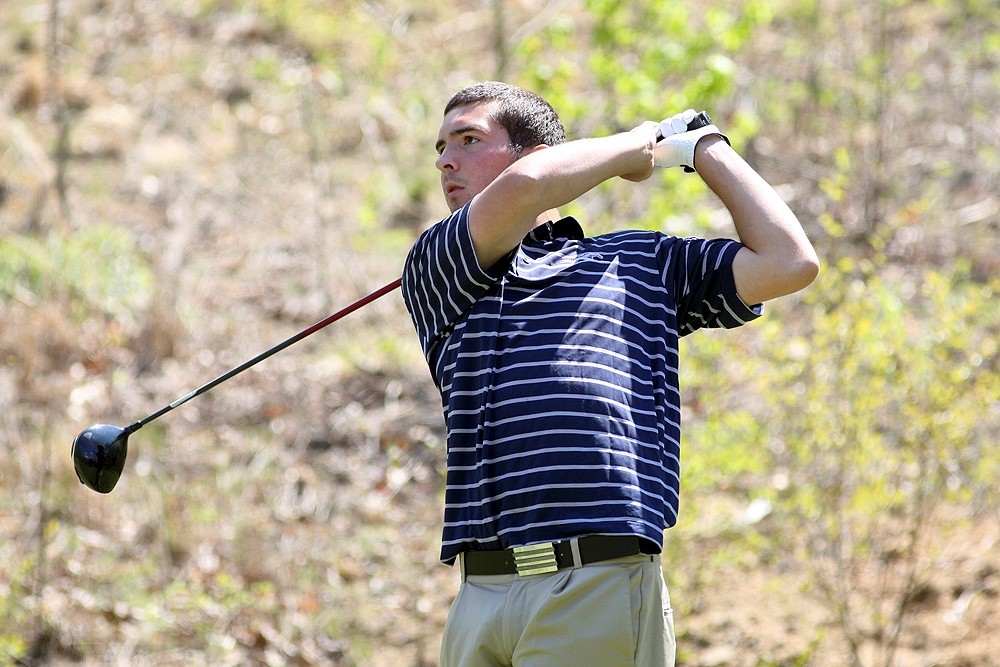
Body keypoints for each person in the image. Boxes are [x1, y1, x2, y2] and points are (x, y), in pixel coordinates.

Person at [400, 81, 819, 667]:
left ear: (535, 150)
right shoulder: (438, 266)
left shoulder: (642, 263)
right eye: (441, 146)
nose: (446, 158)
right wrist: (636, 146)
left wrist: (704, 146)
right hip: (481, 593)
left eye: (469, 139)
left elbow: (789, 261)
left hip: (594, 580)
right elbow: (526, 188)